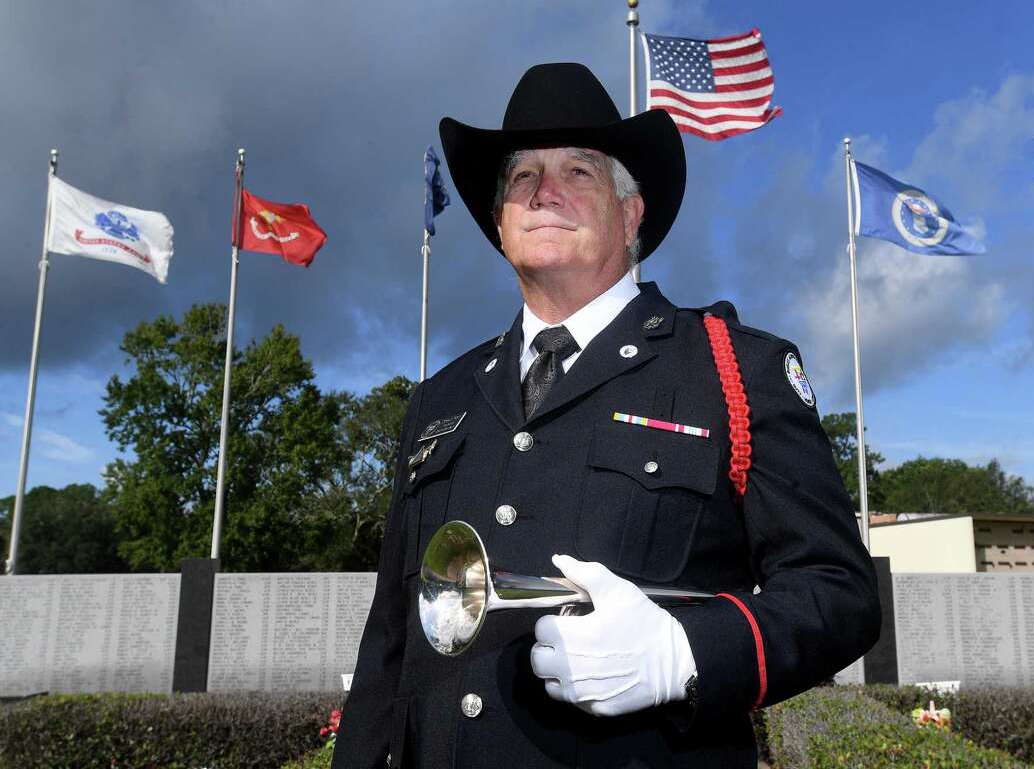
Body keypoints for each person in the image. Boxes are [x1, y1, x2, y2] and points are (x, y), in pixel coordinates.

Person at [333, 62, 879, 769]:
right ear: (501, 224)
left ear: (631, 213)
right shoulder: (441, 397)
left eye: (579, 171)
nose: (543, 191)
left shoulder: (732, 370)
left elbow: (838, 591)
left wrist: (681, 653)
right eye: (521, 177)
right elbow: (390, 644)